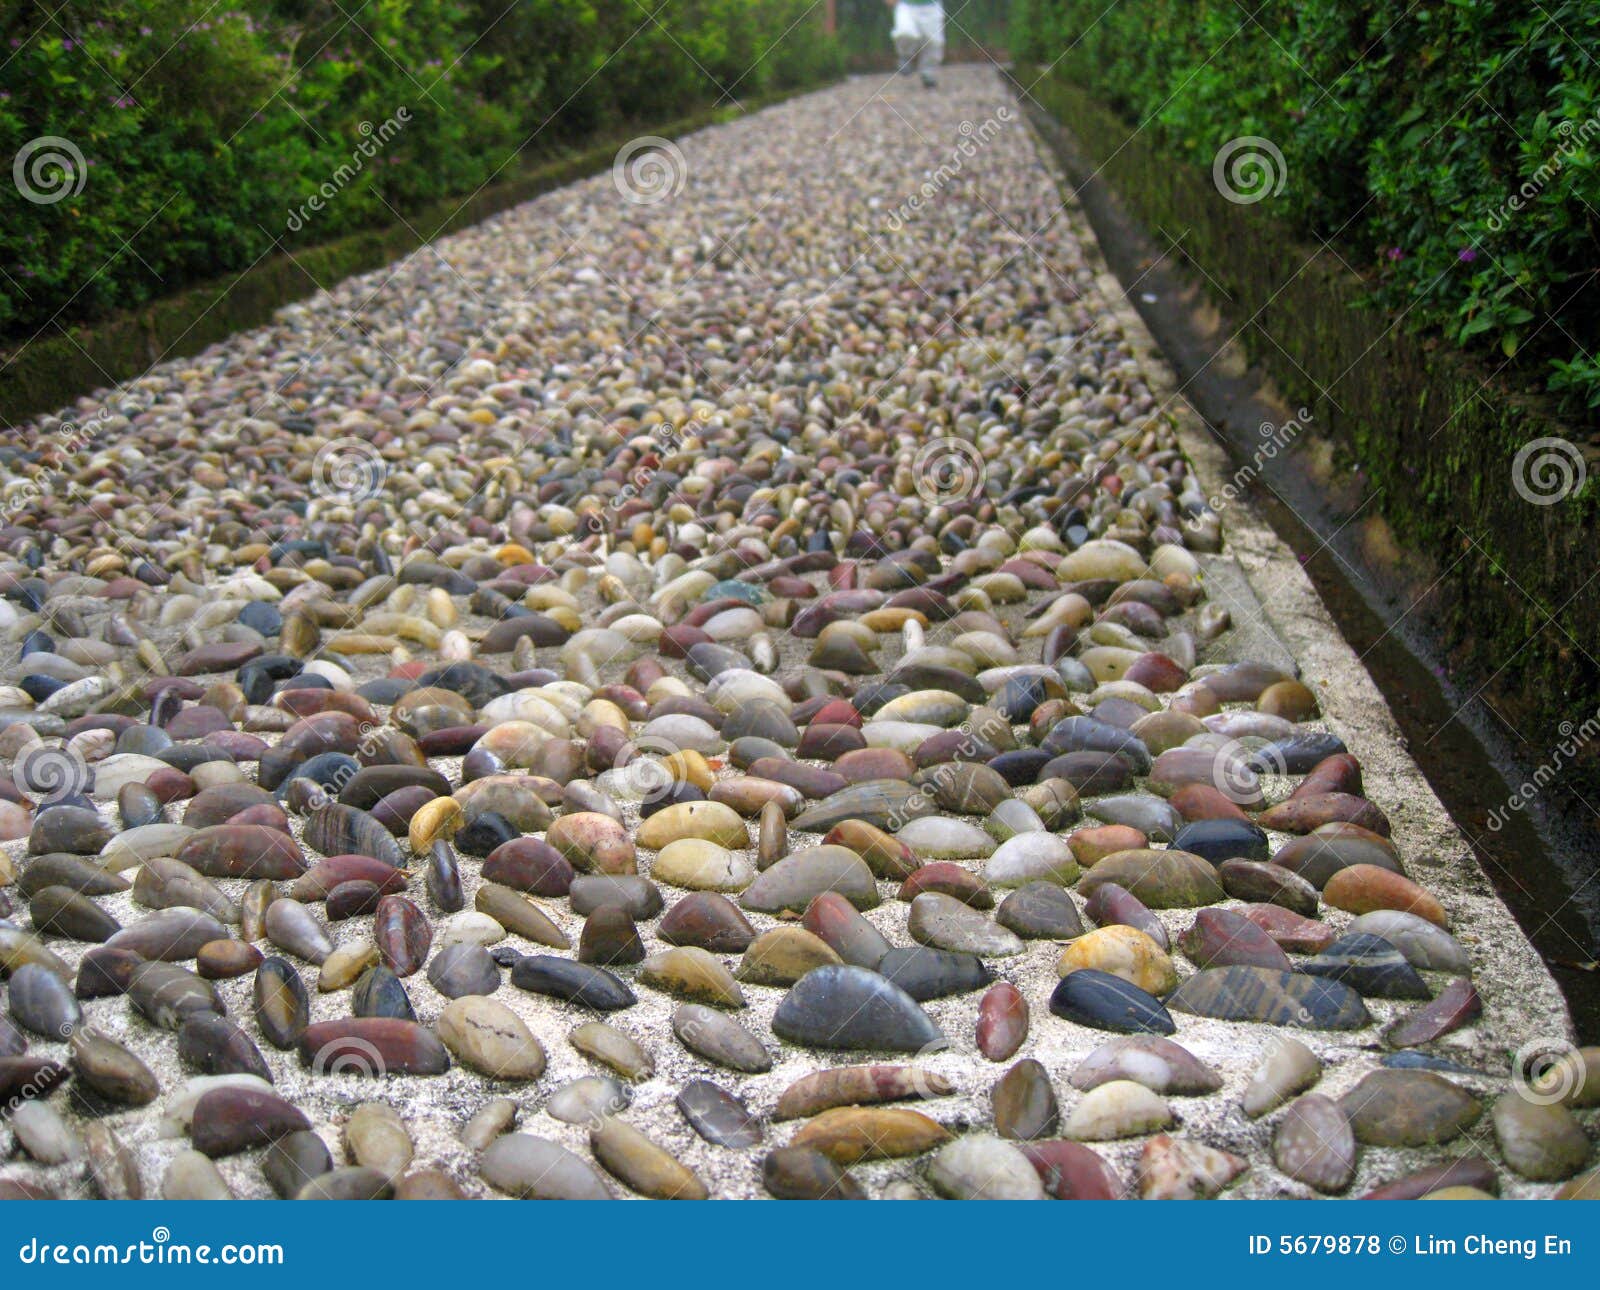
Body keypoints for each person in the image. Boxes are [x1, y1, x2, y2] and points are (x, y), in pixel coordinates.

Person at [888, 0, 944, 88]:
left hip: (932, 7)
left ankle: (928, 72)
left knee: (933, 41)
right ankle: (905, 56)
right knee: (905, 32)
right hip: (906, 5)